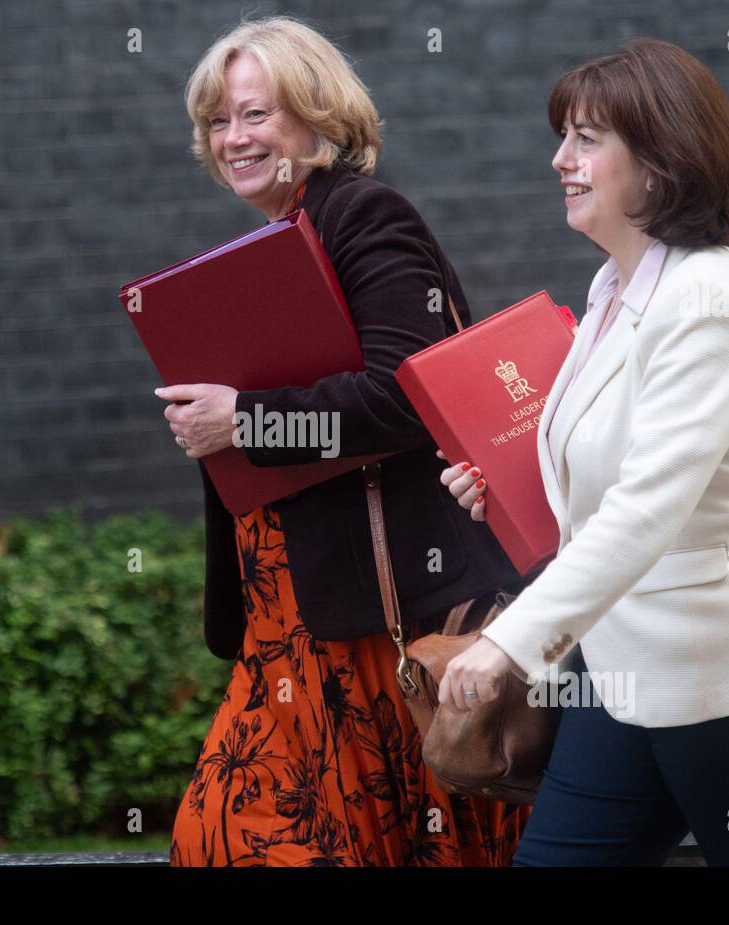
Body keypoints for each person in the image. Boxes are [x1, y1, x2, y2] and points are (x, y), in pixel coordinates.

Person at [438, 38, 729, 866]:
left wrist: (508, 643)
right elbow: (603, 482)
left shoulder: (706, 296)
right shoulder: (611, 291)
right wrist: (506, 488)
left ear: (662, 160)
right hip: (627, 674)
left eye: (588, 139)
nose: (560, 159)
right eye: (562, 136)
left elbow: (648, 507)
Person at [160, 16, 534, 866]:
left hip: (375, 619)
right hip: (289, 621)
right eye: (218, 121)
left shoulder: (364, 215)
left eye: (255, 114)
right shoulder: (270, 242)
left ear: (317, 117)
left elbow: (406, 396)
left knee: (248, 837)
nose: (233, 138)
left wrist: (242, 420)